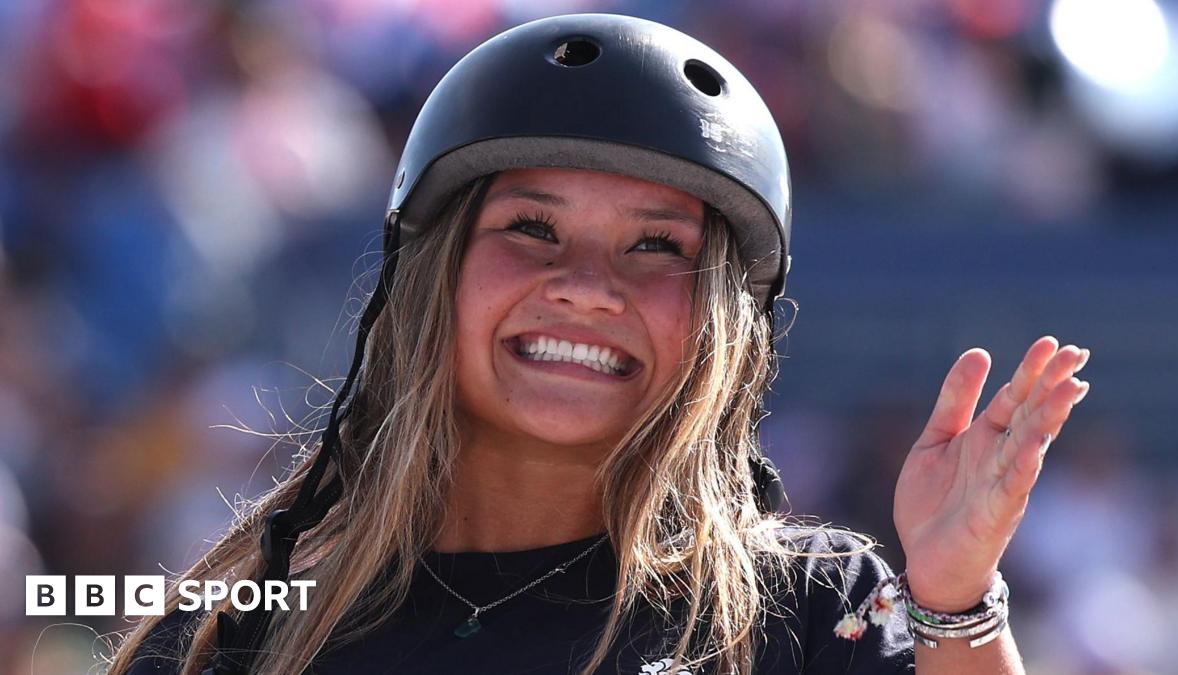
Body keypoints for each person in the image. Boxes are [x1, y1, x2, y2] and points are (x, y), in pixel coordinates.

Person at [106, 14, 1091, 675]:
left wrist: (956, 603)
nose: (584, 284)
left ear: (722, 318)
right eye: (531, 228)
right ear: (430, 280)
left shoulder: (814, 613)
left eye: (656, 246)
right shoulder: (242, 632)